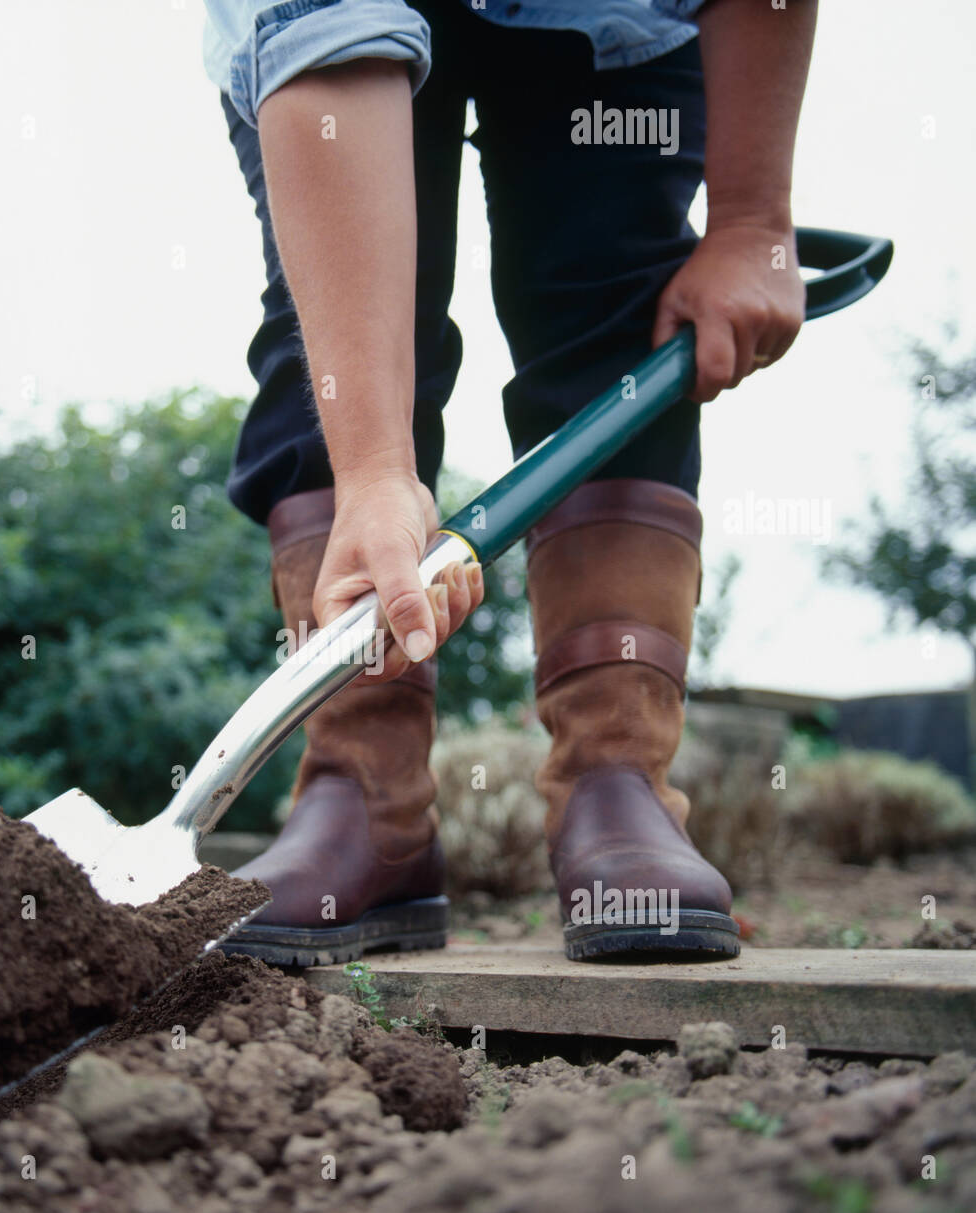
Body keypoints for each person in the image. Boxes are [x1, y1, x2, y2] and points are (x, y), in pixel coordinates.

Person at [202, 0, 813, 963]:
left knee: (616, 323)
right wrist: (371, 475)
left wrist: (750, 219)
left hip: (615, 23)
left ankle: (618, 781)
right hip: (324, 39)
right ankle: (364, 801)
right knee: (328, 354)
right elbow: (324, 31)